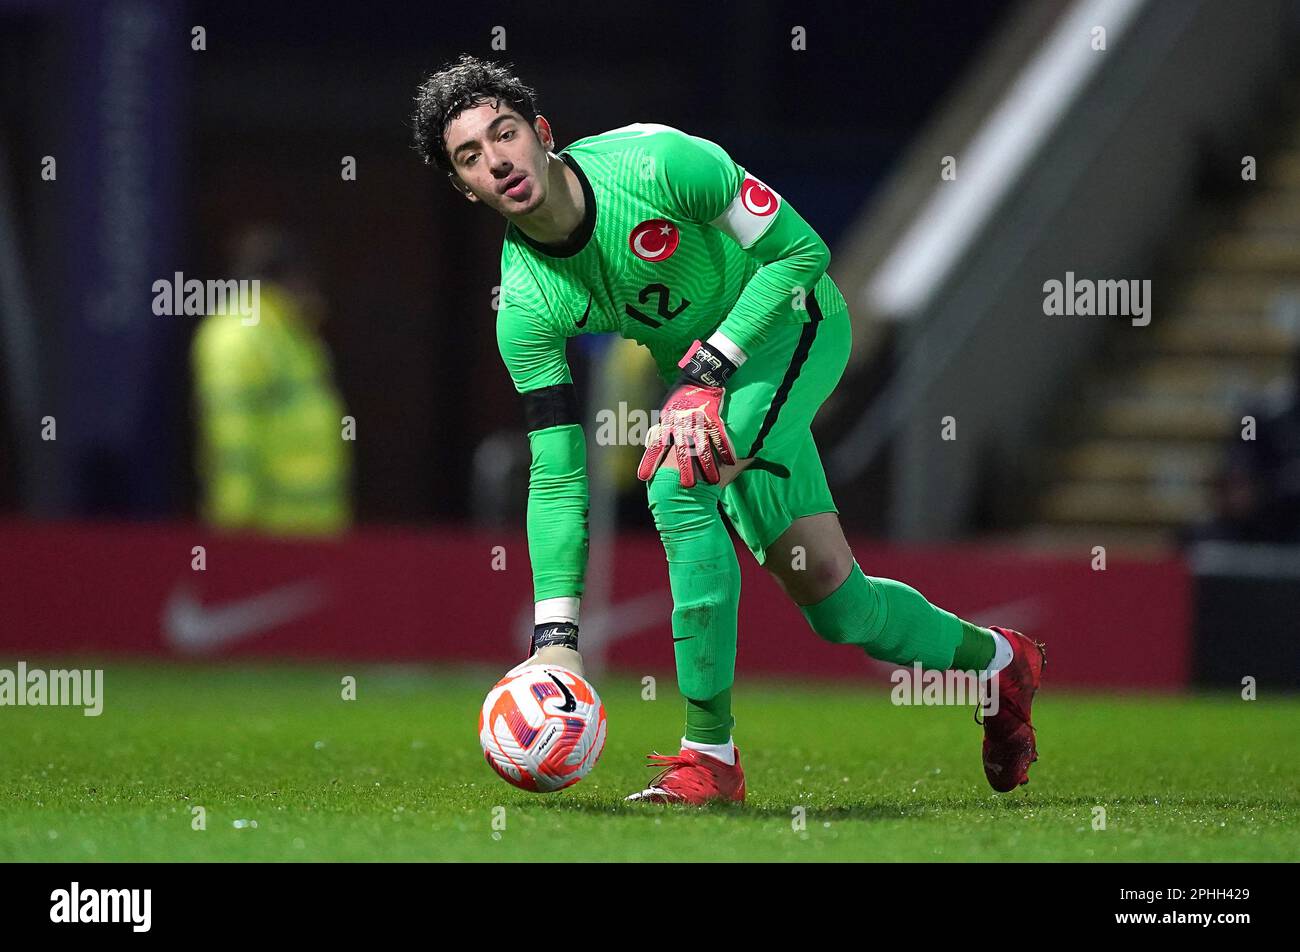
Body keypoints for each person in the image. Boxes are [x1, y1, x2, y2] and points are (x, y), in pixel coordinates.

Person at [412, 55, 1044, 803]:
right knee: (841, 605)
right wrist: (555, 643)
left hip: (793, 324)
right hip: (715, 383)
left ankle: (709, 759)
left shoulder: (659, 162)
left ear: (542, 132)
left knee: (678, 482)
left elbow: (802, 254)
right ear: (464, 187)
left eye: (505, 133)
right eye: (472, 157)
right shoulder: (523, 306)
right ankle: (1001, 664)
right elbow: (557, 474)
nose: (499, 160)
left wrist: (710, 371)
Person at [192, 227, 351, 537]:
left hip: (313, 532)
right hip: (260, 534)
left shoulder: (294, 335)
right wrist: (234, 526)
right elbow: (231, 437)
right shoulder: (234, 337)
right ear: (292, 280)